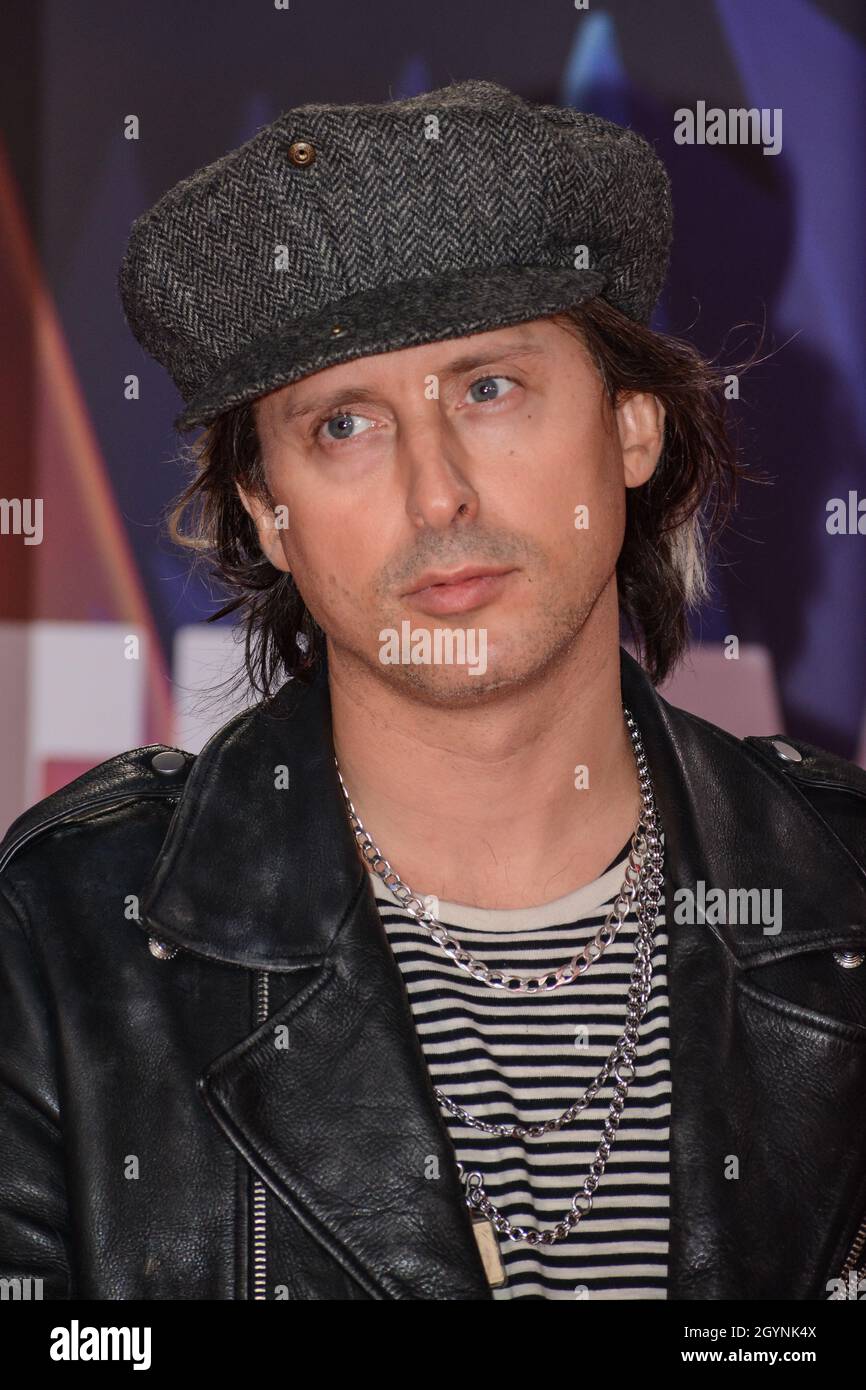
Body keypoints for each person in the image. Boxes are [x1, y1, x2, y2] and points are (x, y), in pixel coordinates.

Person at [1, 79, 865, 1302]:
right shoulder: (64, 939)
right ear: (269, 508)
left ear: (629, 429)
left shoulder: (843, 895)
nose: (437, 493)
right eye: (344, 424)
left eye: (488, 388)